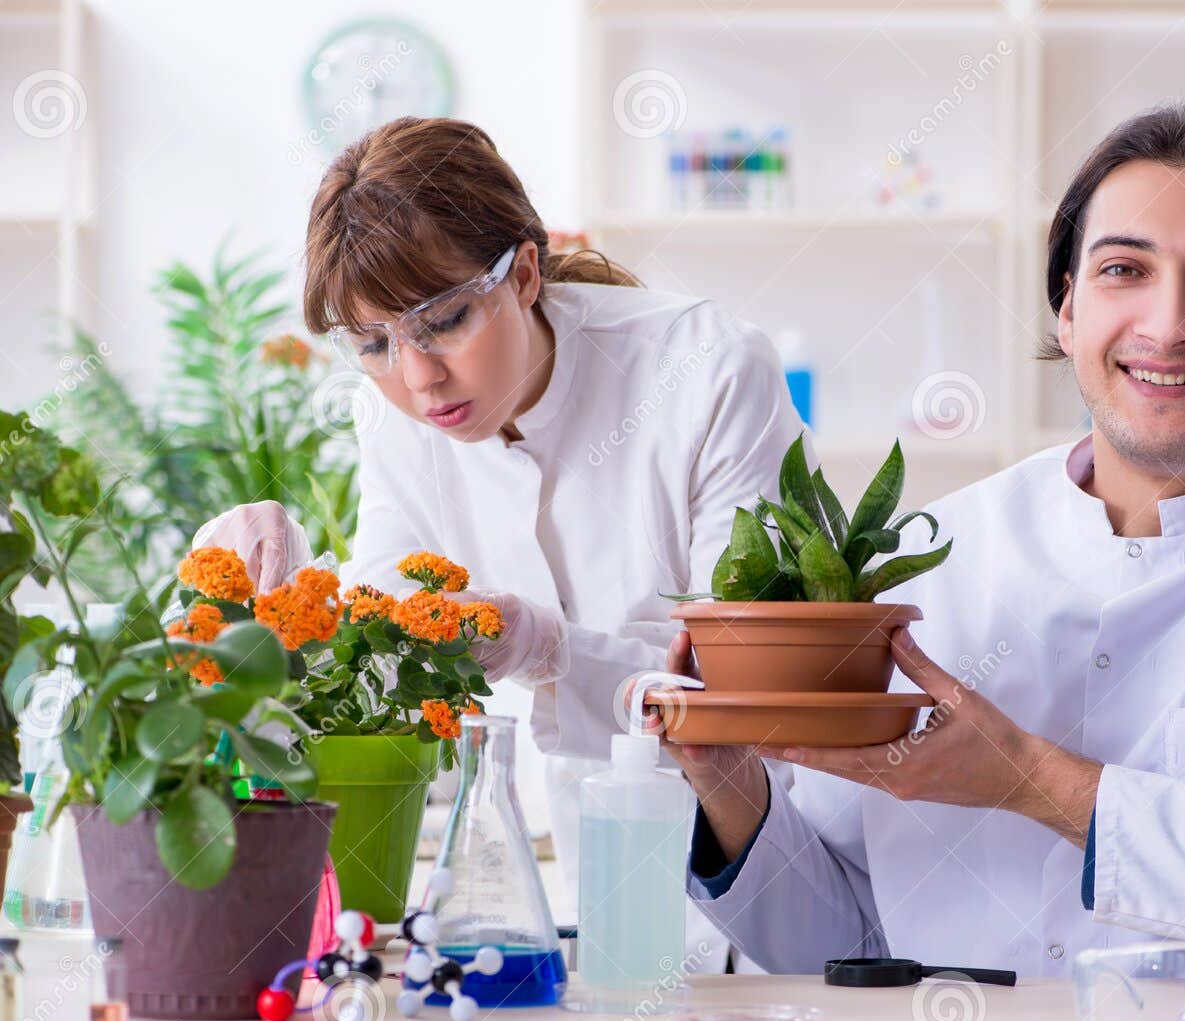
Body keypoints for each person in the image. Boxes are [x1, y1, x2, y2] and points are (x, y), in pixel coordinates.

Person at [664, 102, 1185, 974]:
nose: (1168, 323)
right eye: (1123, 270)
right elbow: (845, 950)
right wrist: (727, 783)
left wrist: (1028, 779)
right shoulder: (938, 557)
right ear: (1068, 312)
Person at [195, 117, 803, 971]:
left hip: (745, 885)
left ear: (522, 273)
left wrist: (548, 648)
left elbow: (750, 684)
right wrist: (278, 577)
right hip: (547, 907)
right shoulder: (394, 417)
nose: (417, 378)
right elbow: (385, 633)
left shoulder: (705, 370)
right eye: (371, 344)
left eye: (443, 321)